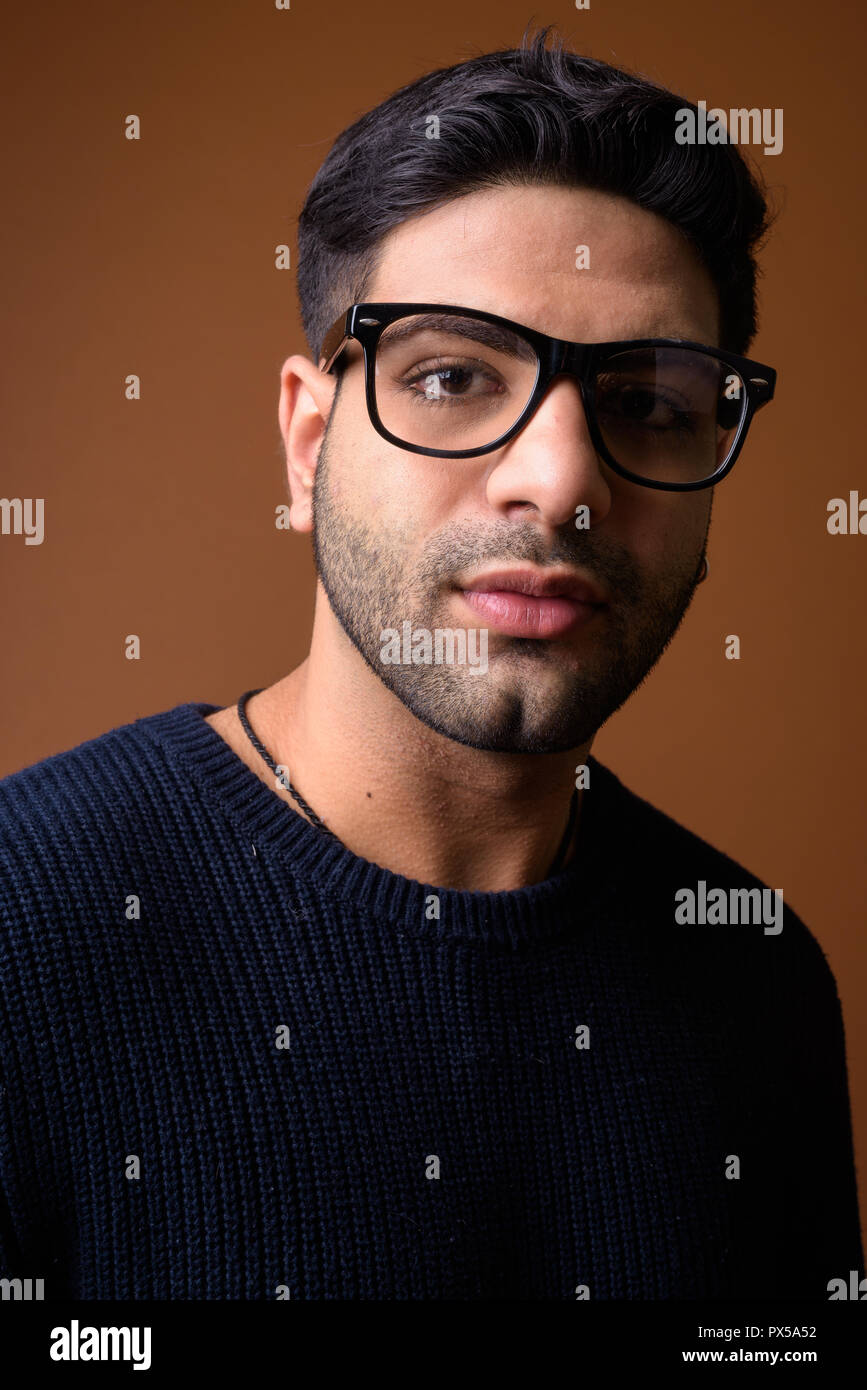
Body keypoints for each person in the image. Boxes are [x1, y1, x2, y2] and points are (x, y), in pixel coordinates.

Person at [0, 26, 861, 1301]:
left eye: (647, 405)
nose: (561, 482)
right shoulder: (24, 930)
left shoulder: (757, 978)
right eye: (453, 373)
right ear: (308, 442)